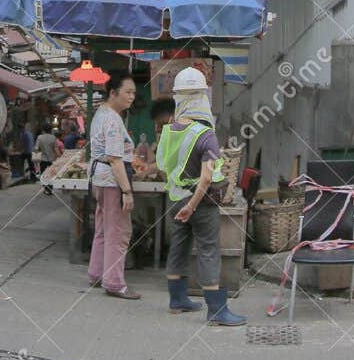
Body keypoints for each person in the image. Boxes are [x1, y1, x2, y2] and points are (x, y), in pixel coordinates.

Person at [159, 68, 245, 325]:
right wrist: (193, 205)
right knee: (208, 249)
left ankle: (177, 300)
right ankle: (217, 311)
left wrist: (181, 204)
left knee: (179, 246)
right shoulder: (204, 134)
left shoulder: (168, 131)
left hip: (175, 198)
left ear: (178, 98)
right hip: (200, 203)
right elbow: (207, 177)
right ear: (201, 97)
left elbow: (164, 167)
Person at [88, 73, 140, 300]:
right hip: (111, 180)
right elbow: (115, 158)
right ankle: (114, 282)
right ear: (113, 92)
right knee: (118, 232)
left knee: (103, 228)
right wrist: (127, 191)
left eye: (134, 93)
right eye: (128, 92)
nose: (132, 97)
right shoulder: (111, 119)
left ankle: (97, 273)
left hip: (100, 179)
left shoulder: (102, 114)